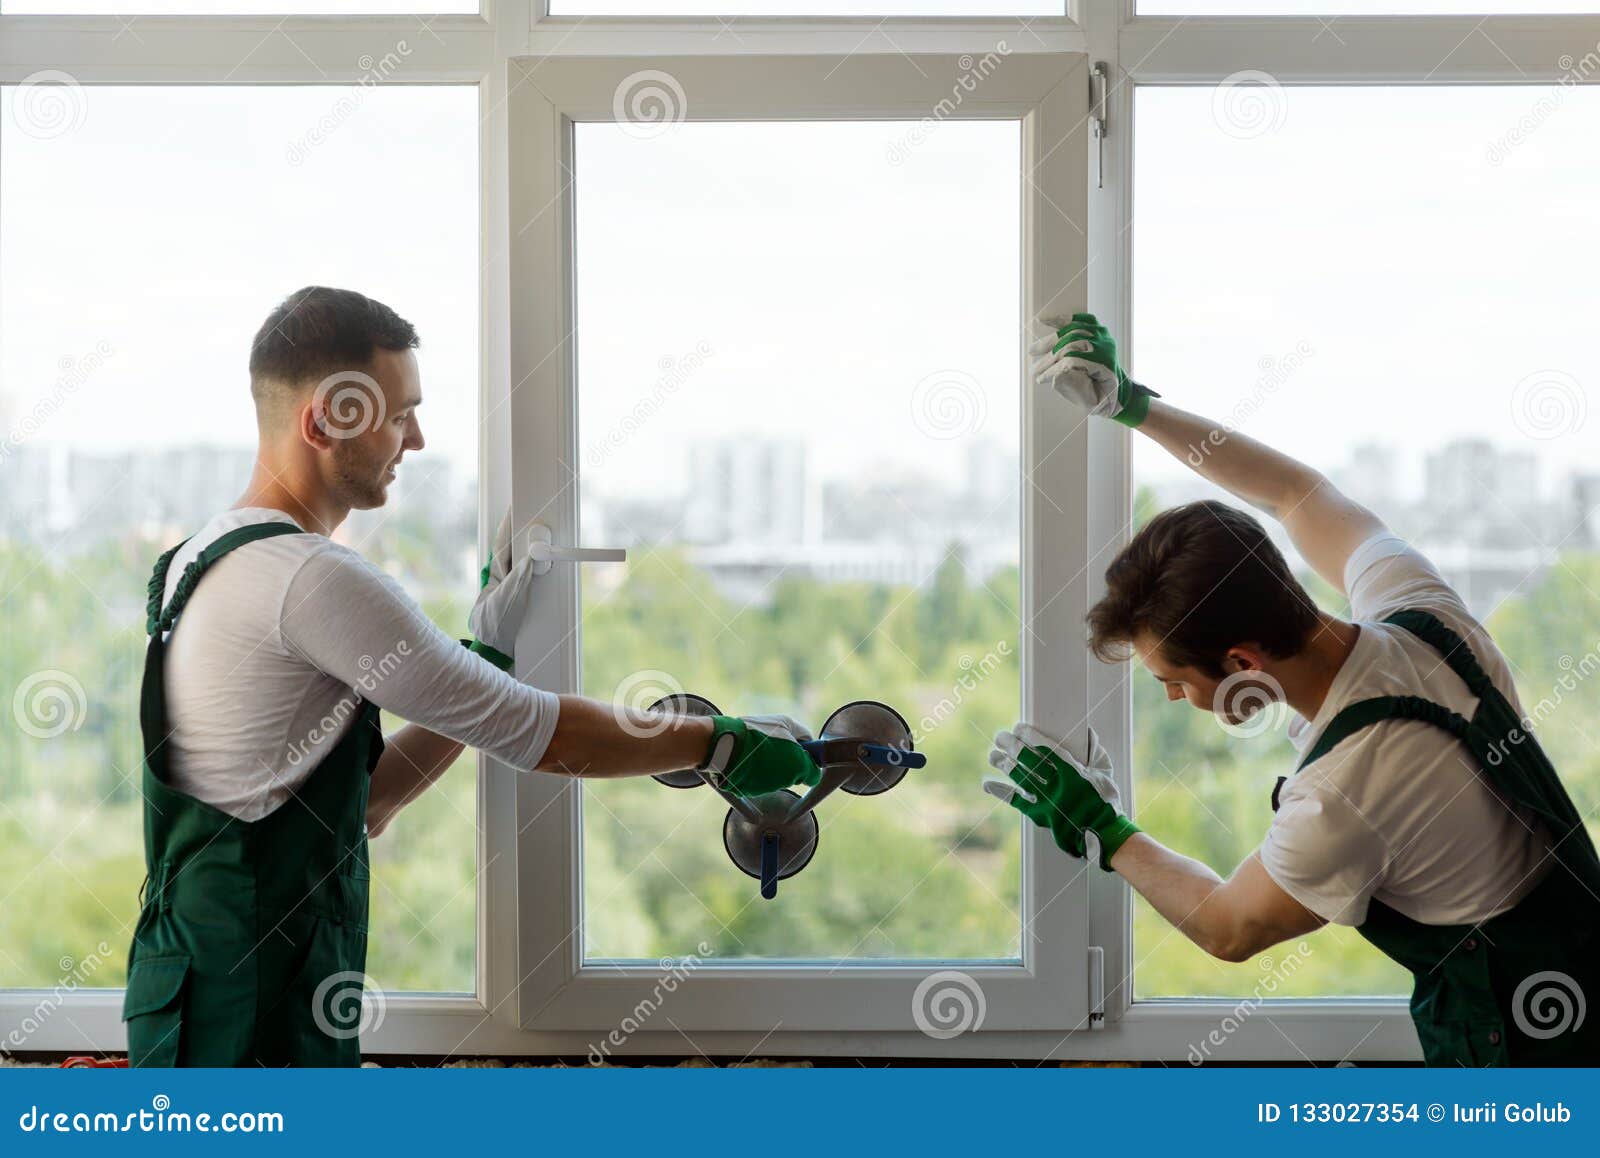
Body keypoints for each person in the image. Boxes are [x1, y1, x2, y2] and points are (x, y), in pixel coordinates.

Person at [124, 286, 821, 1067]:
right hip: (245, 1028)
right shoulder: (309, 578)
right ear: (323, 420)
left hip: (202, 1000)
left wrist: (481, 657)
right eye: (398, 413)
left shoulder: (198, 559)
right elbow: (544, 737)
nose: (415, 439)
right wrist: (720, 743)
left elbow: (368, 800)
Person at [986, 313, 1600, 1066]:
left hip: (1521, 1056)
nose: (1174, 700)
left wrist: (1105, 831)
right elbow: (1297, 493)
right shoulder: (1419, 611)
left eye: (1174, 680)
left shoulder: (1340, 796)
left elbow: (1229, 928)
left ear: (1242, 662)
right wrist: (1133, 405)